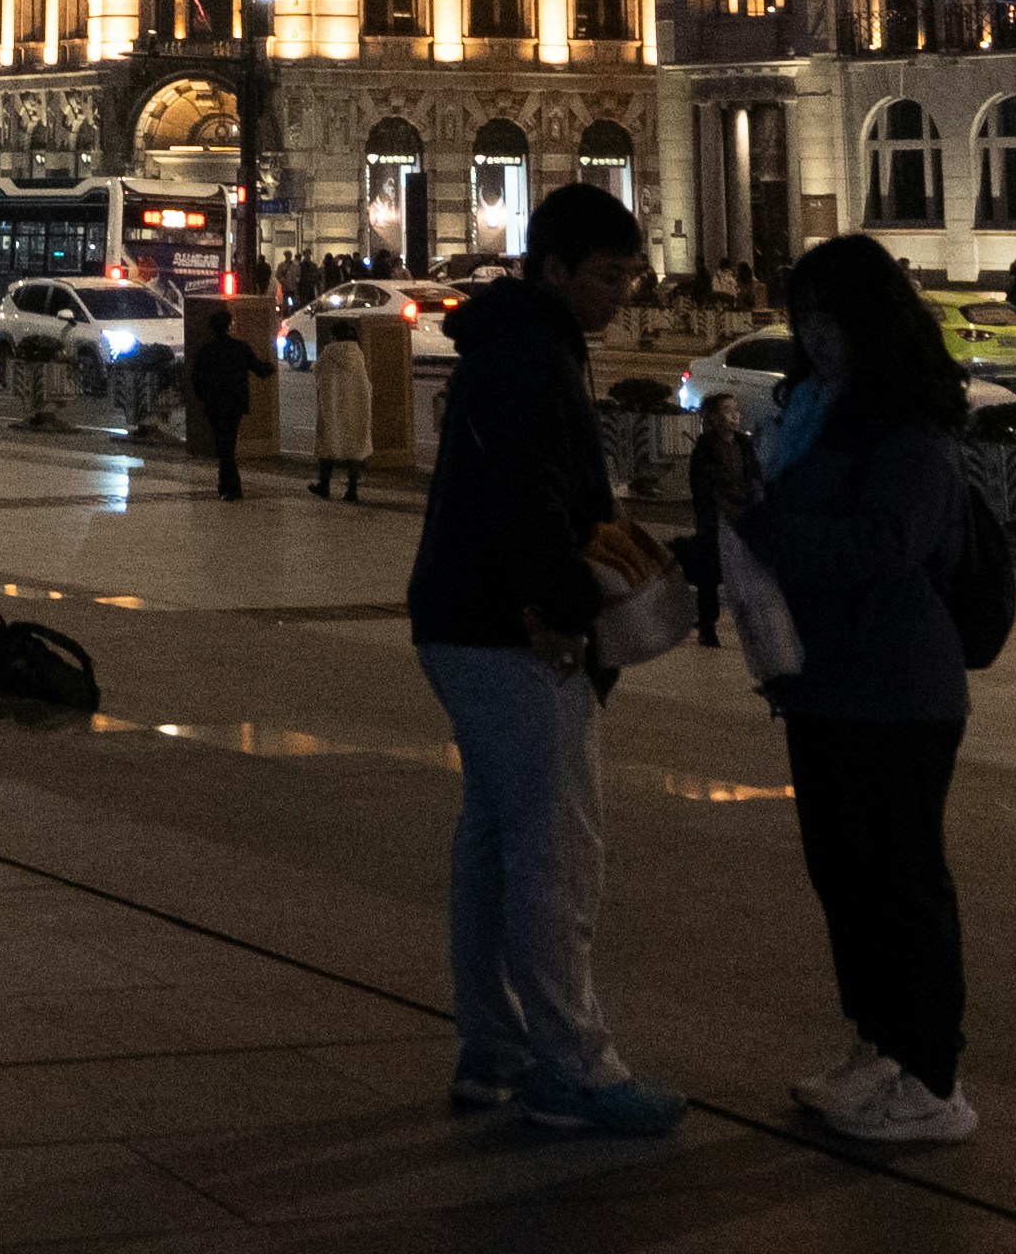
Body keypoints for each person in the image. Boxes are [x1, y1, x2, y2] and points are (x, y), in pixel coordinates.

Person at [406, 181, 687, 1139]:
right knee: (557, 854)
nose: (620, 296)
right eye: (607, 276)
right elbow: (531, 501)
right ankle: (571, 1063)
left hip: (461, 617)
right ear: (555, 267)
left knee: (492, 840)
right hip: (512, 631)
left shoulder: (512, 341)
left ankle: (494, 1045)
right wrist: (570, 606)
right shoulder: (531, 355)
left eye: (630, 278)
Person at [735, 233, 984, 1148]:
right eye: (805, 319)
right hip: (823, 683)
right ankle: (878, 1044)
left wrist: (769, 534)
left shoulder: (910, 424)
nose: (816, 337)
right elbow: (779, 526)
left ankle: (932, 1075)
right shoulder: (810, 413)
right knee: (843, 876)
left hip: (901, 690)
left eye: (831, 319)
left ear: (871, 321)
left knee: (902, 881)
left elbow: (888, 543)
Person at [685, 394, 751, 643]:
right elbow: (700, 487)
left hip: (742, 519)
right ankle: (707, 625)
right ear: (713, 417)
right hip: (716, 519)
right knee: (710, 574)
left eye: (736, 410)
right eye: (727, 410)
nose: (734, 415)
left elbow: (752, 477)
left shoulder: (743, 446)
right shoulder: (705, 449)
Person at [310, 308, 381, 501]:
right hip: (357, 404)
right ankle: (352, 489)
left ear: (334, 335)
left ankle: (324, 484)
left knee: (328, 441)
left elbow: (318, 373)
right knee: (355, 445)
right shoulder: (358, 353)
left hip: (333, 403)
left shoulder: (329, 351)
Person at [190, 303, 258, 499]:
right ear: (229, 326)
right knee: (228, 444)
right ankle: (230, 486)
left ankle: (228, 486)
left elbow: (197, 378)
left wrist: (203, 396)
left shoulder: (206, 351)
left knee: (223, 445)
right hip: (235, 403)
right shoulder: (240, 348)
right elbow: (259, 368)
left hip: (214, 404)